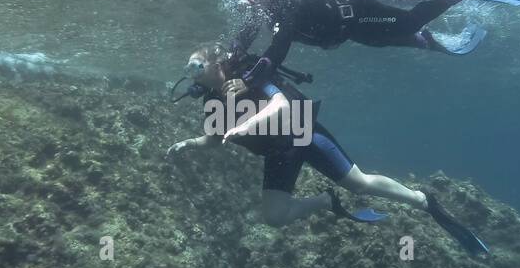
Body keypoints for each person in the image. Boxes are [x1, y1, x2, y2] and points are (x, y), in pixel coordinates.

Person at [166, 42, 490, 255]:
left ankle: (424, 201)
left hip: (303, 133)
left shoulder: (250, 74)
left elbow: (280, 103)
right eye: (188, 69)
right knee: (274, 217)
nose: (191, 73)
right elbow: (213, 138)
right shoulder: (212, 100)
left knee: (360, 184)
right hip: (278, 154)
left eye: (196, 66)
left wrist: (246, 126)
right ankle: (325, 201)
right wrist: (188, 144)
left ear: (216, 63)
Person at [227, 0, 520, 94]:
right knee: (386, 40)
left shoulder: (284, 0)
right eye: (245, 0)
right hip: (353, 32)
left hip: (358, 13)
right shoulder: (263, 11)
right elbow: (246, 34)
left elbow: (279, 44)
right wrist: (232, 53)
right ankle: (426, 40)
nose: (251, 1)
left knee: (408, 24)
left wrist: (255, 76)